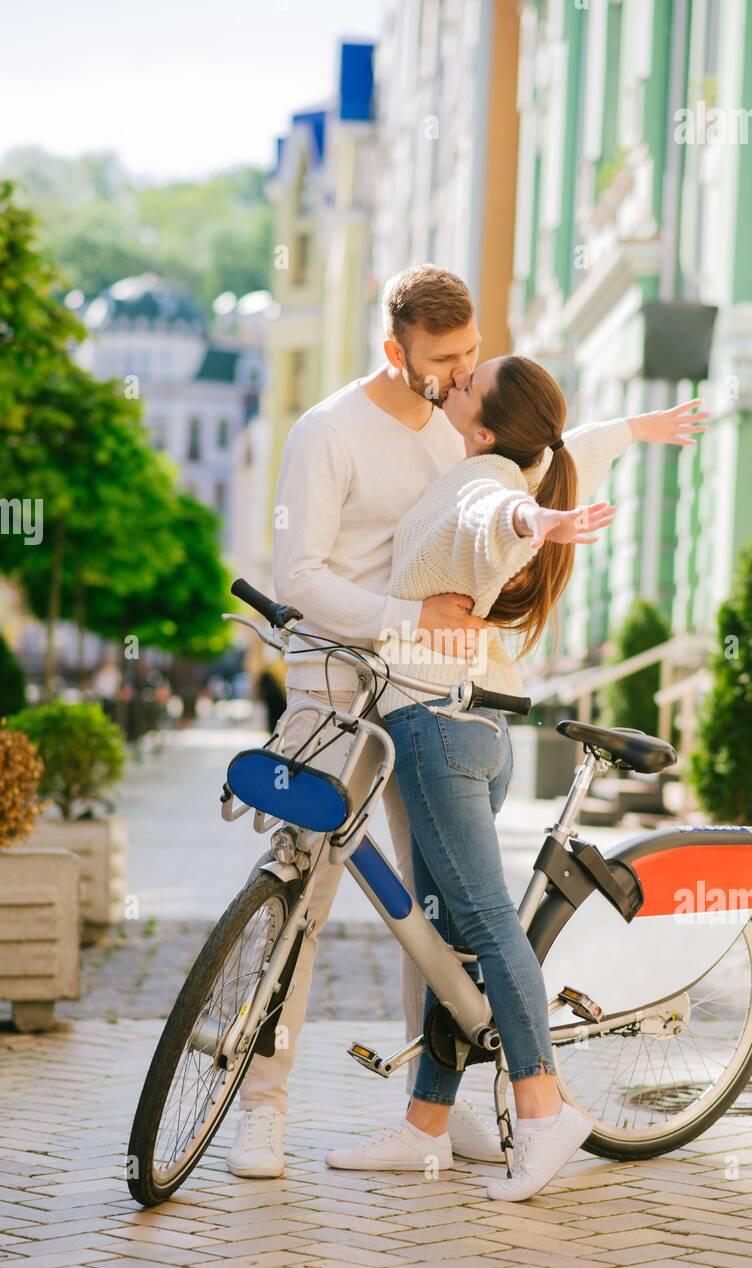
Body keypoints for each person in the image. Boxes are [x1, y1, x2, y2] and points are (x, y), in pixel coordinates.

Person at [228, 264, 706, 1180]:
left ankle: (434, 1121)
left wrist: (619, 445)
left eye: (471, 355)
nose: (457, 372)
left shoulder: (464, 434)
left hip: (432, 695)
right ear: (393, 350)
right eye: (441, 357)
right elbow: (298, 581)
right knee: (298, 893)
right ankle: (264, 1104)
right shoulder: (328, 432)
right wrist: (409, 619)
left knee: (437, 913)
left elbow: (512, 490)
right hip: (335, 686)